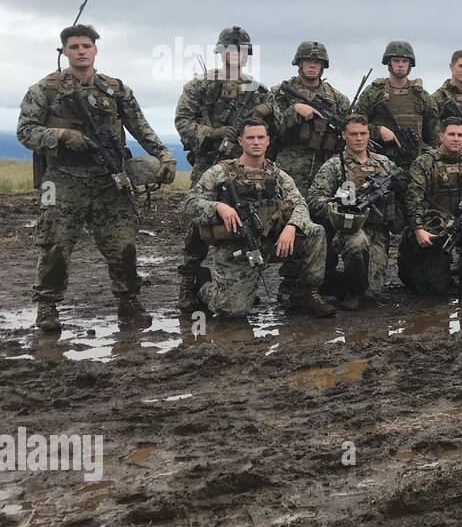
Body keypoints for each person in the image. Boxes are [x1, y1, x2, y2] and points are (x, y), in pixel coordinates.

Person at [18, 24, 177, 331]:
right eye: (74, 46)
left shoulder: (115, 89)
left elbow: (140, 127)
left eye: (86, 46)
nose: (81, 51)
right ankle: (47, 306)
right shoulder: (44, 90)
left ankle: (128, 302)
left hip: (109, 178)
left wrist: (164, 155)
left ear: (95, 50)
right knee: (56, 245)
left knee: (123, 245)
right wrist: (61, 134)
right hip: (62, 179)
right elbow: (26, 132)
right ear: (64, 51)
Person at [184, 118, 334, 318]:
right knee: (231, 311)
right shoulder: (220, 173)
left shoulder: (278, 175)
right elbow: (190, 203)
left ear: (268, 141)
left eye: (260, 137)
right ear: (240, 141)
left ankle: (302, 293)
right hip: (237, 249)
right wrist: (218, 207)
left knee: (315, 232)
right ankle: (203, 286)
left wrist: (292, 226)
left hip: (270, 243)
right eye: (250, 137)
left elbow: (300, 204)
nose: (256, 142)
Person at [174, 25, 275, 310]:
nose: (236, 54)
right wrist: (213, 134)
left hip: (243, 168)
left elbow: (274, 124)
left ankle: (238, 283)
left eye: (241, 50)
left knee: (242, 223)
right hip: (209, 164)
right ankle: (189, 282)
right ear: (221, 52)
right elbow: (182, 121)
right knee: (198, 226)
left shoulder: (258, 90)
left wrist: (265, 113)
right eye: (230, 49)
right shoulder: (201, 86)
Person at [307, 116, 403, 310]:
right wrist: (341, 208)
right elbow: (314, 199)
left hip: (377, 231)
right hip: (349, 230)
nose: (359, 138)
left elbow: (401, 183)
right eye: (353, 134)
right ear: (344, 135)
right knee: (356, 245)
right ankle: (348, 290)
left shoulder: (384, 163)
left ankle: (339, 284)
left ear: (368, 134)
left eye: (363, 133)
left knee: (372, 292)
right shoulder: (335, 165)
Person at [399, 119, 462, 299]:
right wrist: (418, 229)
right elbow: (413, 198)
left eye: (460, 135)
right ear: (441, 136)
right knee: (434, 290)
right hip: (434, 224)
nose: (456, 139)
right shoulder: (425, 162)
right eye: (451, 134)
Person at [271, 40, 353, 196]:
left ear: (322, 66)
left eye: (317, 62)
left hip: (326, 167)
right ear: (300, 63)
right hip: (290, 166)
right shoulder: (280, 92)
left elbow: (352, 130)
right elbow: (270, 129)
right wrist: (294, 111)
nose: (312, 65)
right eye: (308, 61)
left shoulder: (337, 98)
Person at [352, 40, 439, 169]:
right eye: (396, 61)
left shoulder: (422, 96)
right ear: (389, 63)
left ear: (410, 64)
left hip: (416, 162)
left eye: (404, 61)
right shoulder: (374, 92)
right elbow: (354, 126)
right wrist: (378, 130)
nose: (400, 65)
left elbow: (434, 135)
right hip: (379, 162)